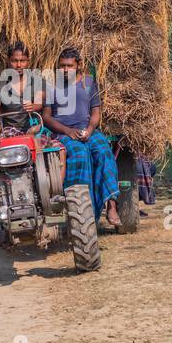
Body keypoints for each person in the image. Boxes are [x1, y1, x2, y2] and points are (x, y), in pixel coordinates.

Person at [42, 47, 120, 227]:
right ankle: (83, 212)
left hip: (87, 131)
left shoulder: (89, 83)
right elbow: (46, 117)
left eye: (69, 66)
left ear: (79, 66)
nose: (65, 70)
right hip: (63, 133)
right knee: (80, 155)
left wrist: (90, 129)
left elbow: (95, 113)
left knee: (104, 152)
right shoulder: (52, 85)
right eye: (62, 66)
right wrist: (67, 131)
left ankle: (111, 205)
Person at [0, 41, 65, 185]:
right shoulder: (1, 85)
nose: (19, 65)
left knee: (59, 149)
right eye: (15, 61)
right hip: (11, 133)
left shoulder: (37, 81)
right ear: (8, 61)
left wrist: (34, 106)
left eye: (22, 61)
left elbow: (40, 100)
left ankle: (55, 188)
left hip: (34, 131)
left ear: (28, 61)